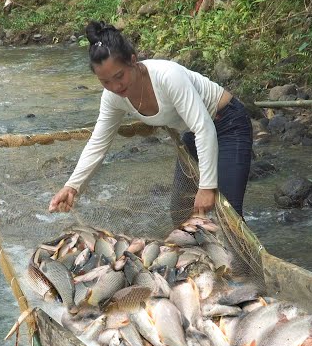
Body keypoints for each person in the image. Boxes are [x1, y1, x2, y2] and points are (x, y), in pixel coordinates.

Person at [48, 21, 253, 218]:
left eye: (119, 76)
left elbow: (204, 128)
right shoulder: (112, 97)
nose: (115, 87)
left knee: (228, 212)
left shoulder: (168, 77)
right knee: (180, 211)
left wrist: (207, 187)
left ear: (133, 60)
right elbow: (98, 143)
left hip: (228, 123)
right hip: (193, 133)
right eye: (105, 81)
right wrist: (72, 186)